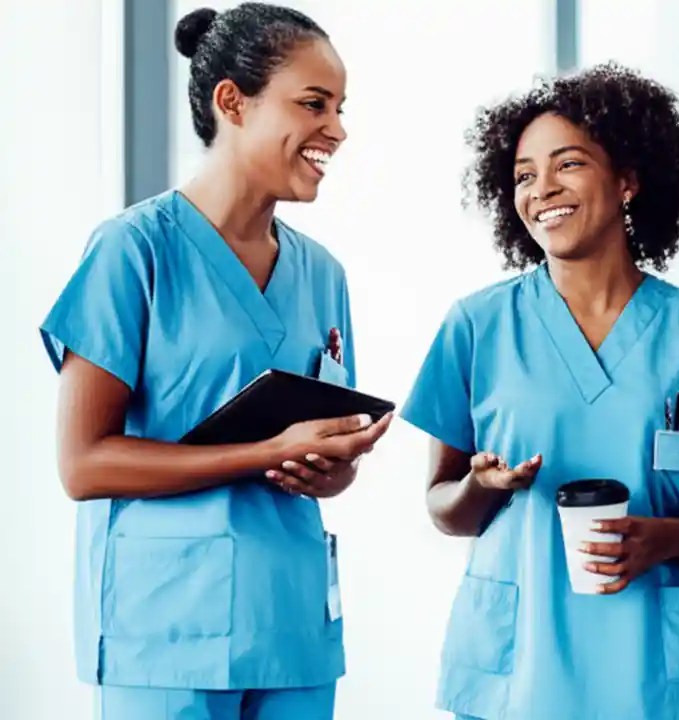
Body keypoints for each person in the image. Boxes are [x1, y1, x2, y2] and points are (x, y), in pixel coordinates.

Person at [40, 4, 391, 717]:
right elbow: (84, 465)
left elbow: (322, 460)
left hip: (292, 627)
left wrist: (333, 463)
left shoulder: (322, 274)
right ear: (232, 101)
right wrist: (265, 450)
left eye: (340, 108)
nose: (338, 129)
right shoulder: (134, 251)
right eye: (314, 104)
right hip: (166, 630)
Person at [402, 62, 679, 720]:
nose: (542, 188)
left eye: (567, 164)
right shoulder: (476, 326)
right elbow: (443, 507)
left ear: (628, 181)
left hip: (657, 674)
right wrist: (479, 488)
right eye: (523, 174)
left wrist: (661, 539)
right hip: (519, 674)